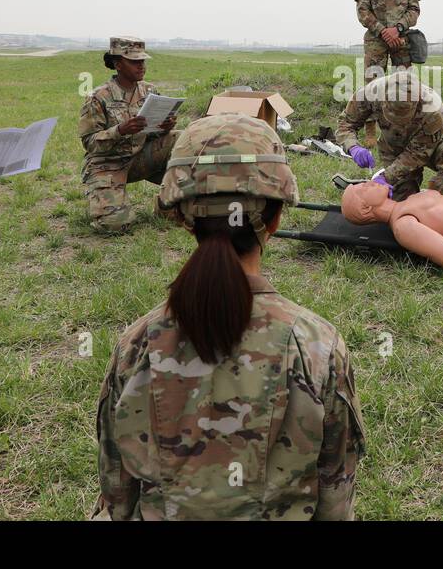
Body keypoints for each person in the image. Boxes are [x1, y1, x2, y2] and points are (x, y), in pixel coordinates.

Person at [93, 114, 366, 520]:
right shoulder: (317, 345)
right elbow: (335, 494)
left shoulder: (136, 342)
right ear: (274, 219)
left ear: (185, 220)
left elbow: (116, 494)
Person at [78, 36, 179, 233]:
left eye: (143, 61)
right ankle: (107, 199)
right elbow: (89, 143)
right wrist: (120, 130)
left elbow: (152, 134)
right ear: (118, 64)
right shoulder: (98, 97)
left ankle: (168, 203)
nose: (141, 66)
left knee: (182, 138)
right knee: (115, 226)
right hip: (108, 164)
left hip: (140, 158)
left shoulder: (150, 91)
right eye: (134, 61)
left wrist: (164, 127)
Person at [335, 70, 443, 200]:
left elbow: (417, 154)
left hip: (430, 143)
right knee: (398, 200)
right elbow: (346, 124)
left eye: (402, 116)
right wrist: (353, 147)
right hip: (393, 145)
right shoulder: (370, 93)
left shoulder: (433, 110)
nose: (398, 120)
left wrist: (388, 176)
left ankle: (436, 204)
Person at [354, 0, 420, 148]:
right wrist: (383, 31)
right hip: (376, 40)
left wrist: (398, 29)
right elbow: (363, 11)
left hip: (401, 39)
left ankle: (403, 127)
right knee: (374, 84)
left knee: (403, 84)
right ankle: (371, 130)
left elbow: (414, 9)